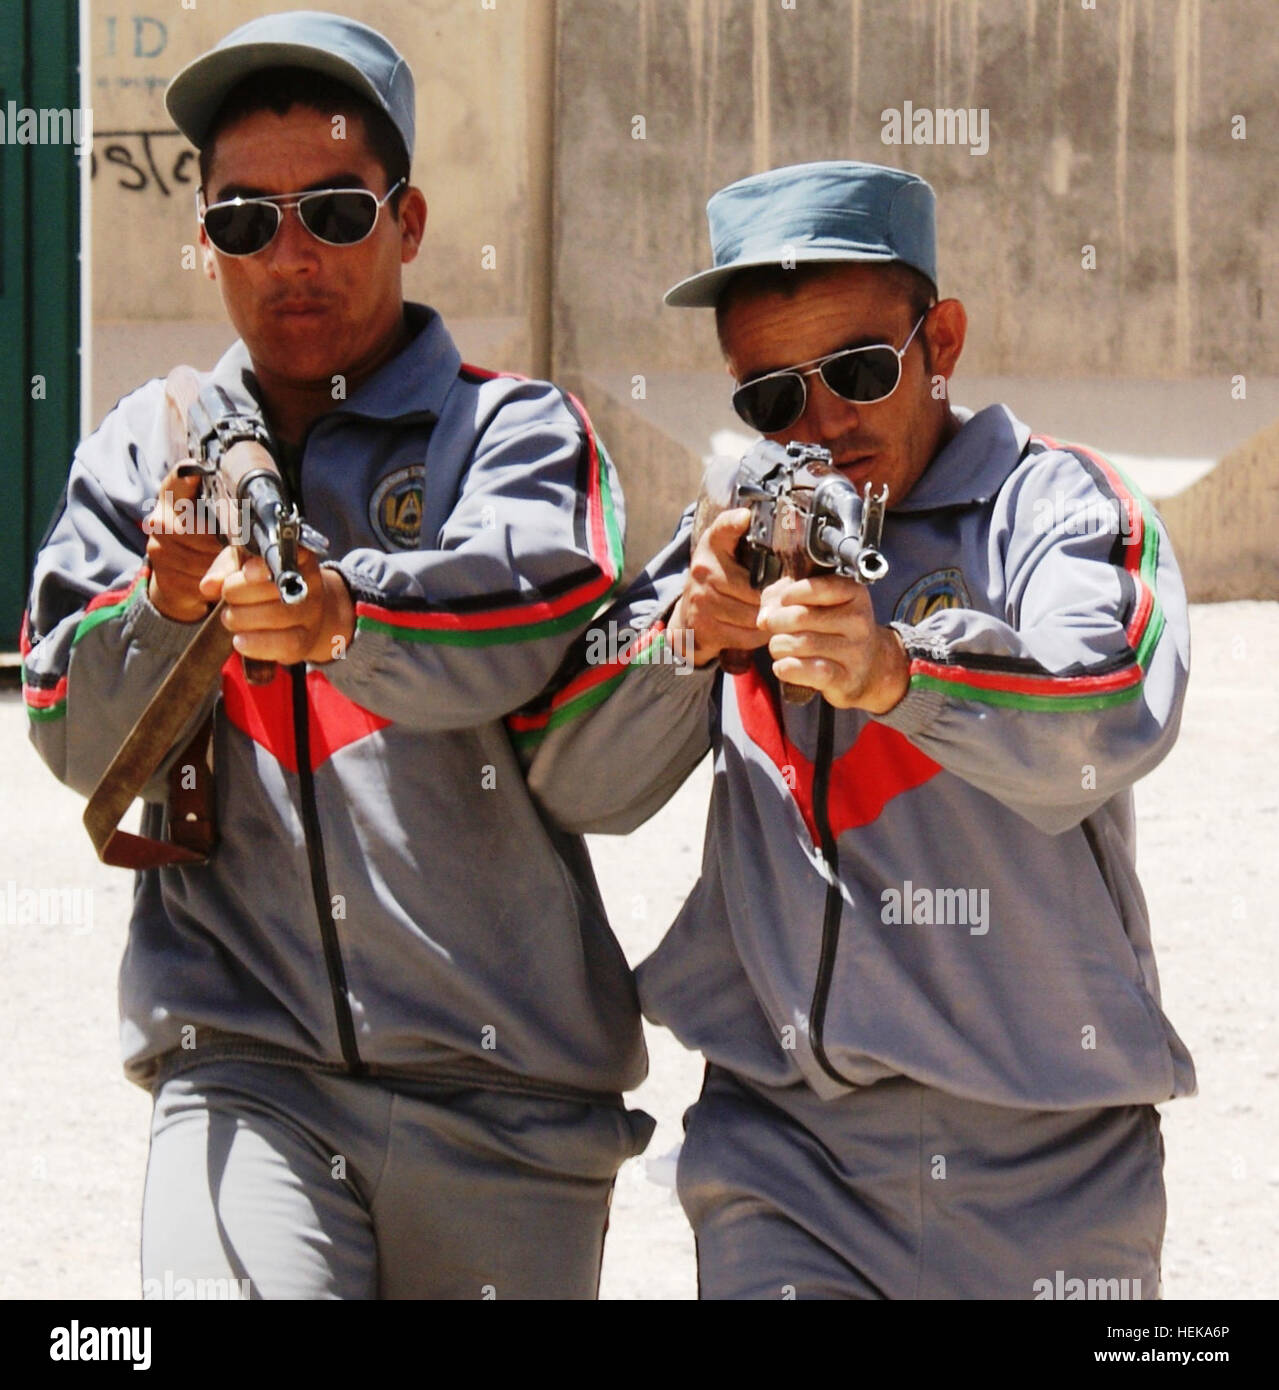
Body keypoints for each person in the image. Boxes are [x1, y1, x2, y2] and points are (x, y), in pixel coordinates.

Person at [21, 11, 652, 1300]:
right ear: (205, 243)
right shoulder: (145, 449)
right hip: (247, 1073)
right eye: (246, 220)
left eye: (336, 213)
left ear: (408, 224)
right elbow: (62, 722)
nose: (290, 255)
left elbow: (526, 612)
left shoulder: (515, 430)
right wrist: (165, 609)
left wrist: (341, 616)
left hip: (508, 1096)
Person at [522, 160, 1195, 1300]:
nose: (823, 421)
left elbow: (1114, 708)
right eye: (772, 396)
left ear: (945, 340)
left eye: (859, 369)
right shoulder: (726, 536)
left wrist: (900, 673)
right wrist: (687, 637)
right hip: (786, 1169)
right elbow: (574, 777)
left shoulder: (1056, 505)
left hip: (1053, 1177)